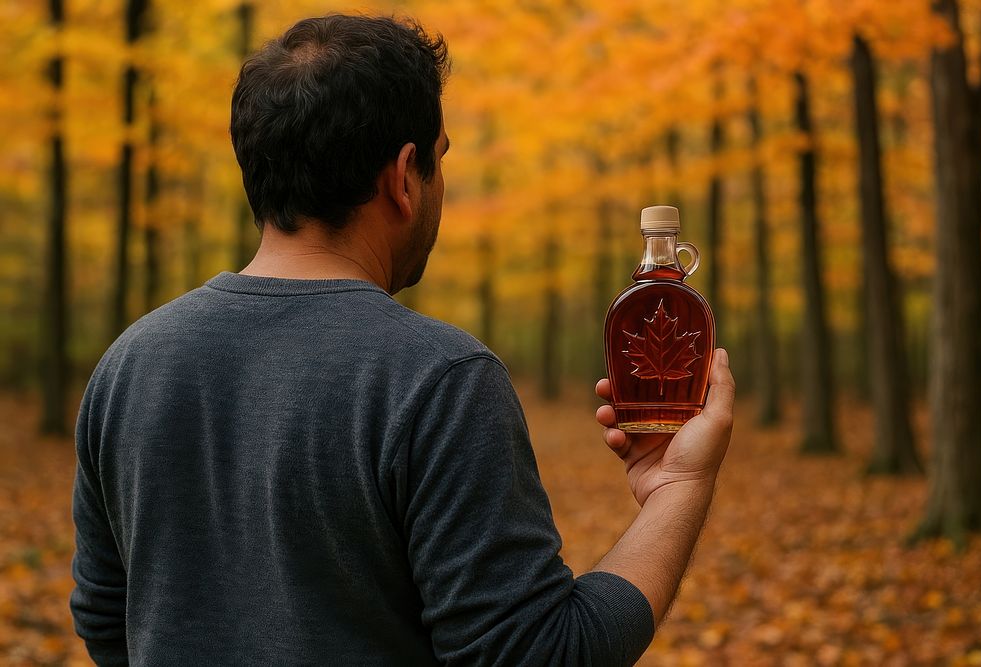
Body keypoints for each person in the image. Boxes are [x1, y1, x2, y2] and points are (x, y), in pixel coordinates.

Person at [69, 13, 735, 666]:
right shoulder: (438, 378)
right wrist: (681, 483)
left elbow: (109, 619)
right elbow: (534, 652)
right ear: (403, 174)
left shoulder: (127, 365)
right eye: (439, 160)